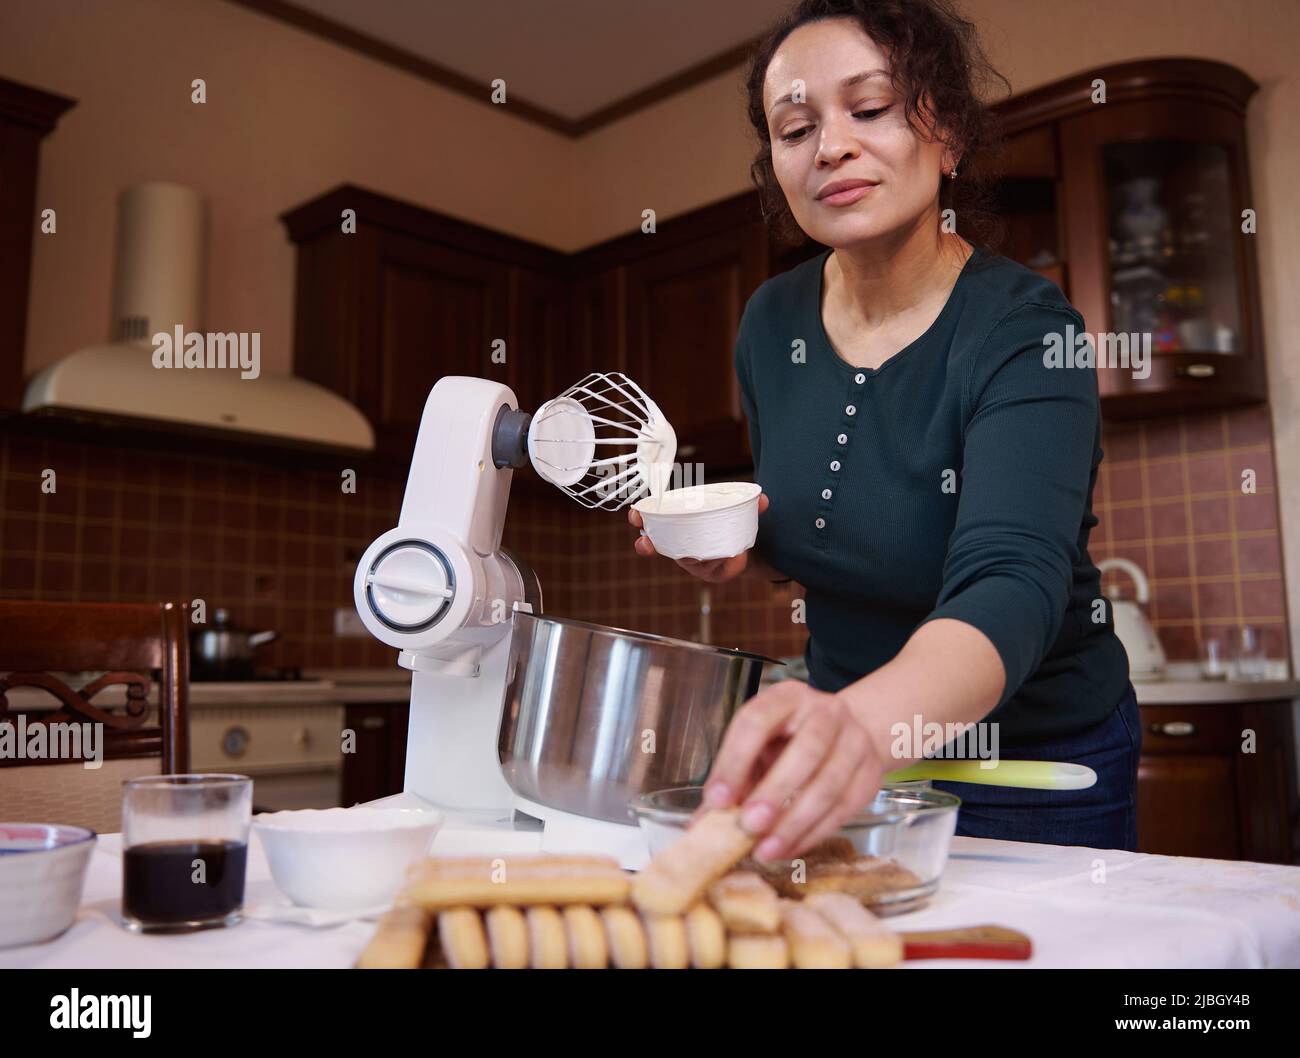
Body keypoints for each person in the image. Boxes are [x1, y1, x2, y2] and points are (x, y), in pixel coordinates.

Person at [628, 0, 1138, 863]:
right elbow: (832, 529)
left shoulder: (1025, 329)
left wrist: (855, 730)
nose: (830, 146)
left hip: (1028, 766)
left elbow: (1011, 583)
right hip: (853, 761)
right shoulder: (769, 321)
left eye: (868, 110)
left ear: (945, 134)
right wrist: (740, 549)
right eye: (796, 128)